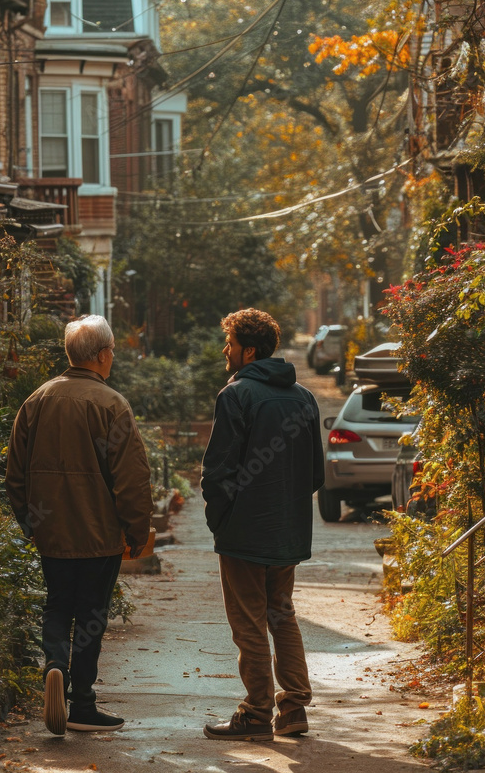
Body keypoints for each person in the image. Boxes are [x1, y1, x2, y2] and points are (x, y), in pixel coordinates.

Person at [5, 314, 153, 737]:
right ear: (104, 355)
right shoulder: (112, 405)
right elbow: (131, 478)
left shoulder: (37, 400)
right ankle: (82, 704)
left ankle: (54, 664)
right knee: (91, 614)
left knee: (58, 604)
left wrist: (29, 522)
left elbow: (14, 473)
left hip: (52, 533)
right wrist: (136, 531)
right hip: (99, 533)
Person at [201, 308, 325, 742]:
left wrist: (221, 520)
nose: (225, 350)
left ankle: (256, 713)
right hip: (286, 534)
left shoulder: (236, 395)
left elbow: (217, 471)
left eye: (230, 344)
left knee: (249, 622)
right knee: (282, 615)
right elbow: (315, 475)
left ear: (248, 351)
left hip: (244, 535)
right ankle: (293, 708)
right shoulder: (304, 398)